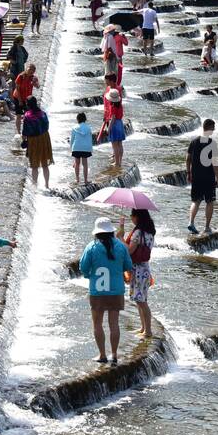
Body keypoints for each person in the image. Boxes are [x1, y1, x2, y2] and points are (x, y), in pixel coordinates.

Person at [78, 218, 134, 364]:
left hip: (97, 291)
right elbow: (128, 265)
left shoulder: (91, 247)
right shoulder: (121, 247)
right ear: (111, 232)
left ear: (96, 233)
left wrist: (89, 275)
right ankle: (114, 355)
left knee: (97, 324)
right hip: (116, 290)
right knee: (114, 324)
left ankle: (102, 355)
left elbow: (83, 267)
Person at [123, 209, 156, 339]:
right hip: (144, 269)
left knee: (142, 302)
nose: (131, 217)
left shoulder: (138, 233)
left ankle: (148, 331)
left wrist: (120, 239)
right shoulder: (149, 233)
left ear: (138, 217)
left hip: (138, 271)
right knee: (140, 300)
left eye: (132, 215)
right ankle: (143, 328)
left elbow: (130, 251)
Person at [185, 120, 218, 235]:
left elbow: (188, 158)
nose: (214, 130)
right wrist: (217, 177)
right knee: (210, 202)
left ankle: (191, 222)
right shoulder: (212, 143)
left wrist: (188, 172)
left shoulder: (194, 142)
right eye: (213, 127)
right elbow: (215, 163)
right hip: (208, 177)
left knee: (196, 201)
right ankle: (207, 227)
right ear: (209, 127)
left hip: (196, 176)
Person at [19, 96, 54, 188]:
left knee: (34, 165)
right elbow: (47, 126)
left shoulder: (27, 116)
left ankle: (34, 186)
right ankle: (47, 185)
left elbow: (25, 132)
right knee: (45, 164)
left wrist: (24, 141)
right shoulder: (43, 114)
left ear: (28, 105)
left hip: (33, 140)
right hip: (44, 138)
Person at [102, 86, 127, 168]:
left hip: (114, 125)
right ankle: (120, 161)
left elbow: (113, 118)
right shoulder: (120, 106)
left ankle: (116, 163)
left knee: (115, 145)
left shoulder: (112, 107)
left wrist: (108, 130)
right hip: (120, 123)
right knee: (120, 144)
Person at [70, 111, 93, 186]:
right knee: (85, 164)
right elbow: (90, 139)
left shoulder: (74, 128)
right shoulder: (88, 128)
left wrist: (71, 149)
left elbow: (72, 140)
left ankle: (77, 180)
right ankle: (86, 180)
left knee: (77, 164)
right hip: (86, 148)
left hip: (76, 147)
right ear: (85, 119)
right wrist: (90, 149)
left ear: (77, 119)